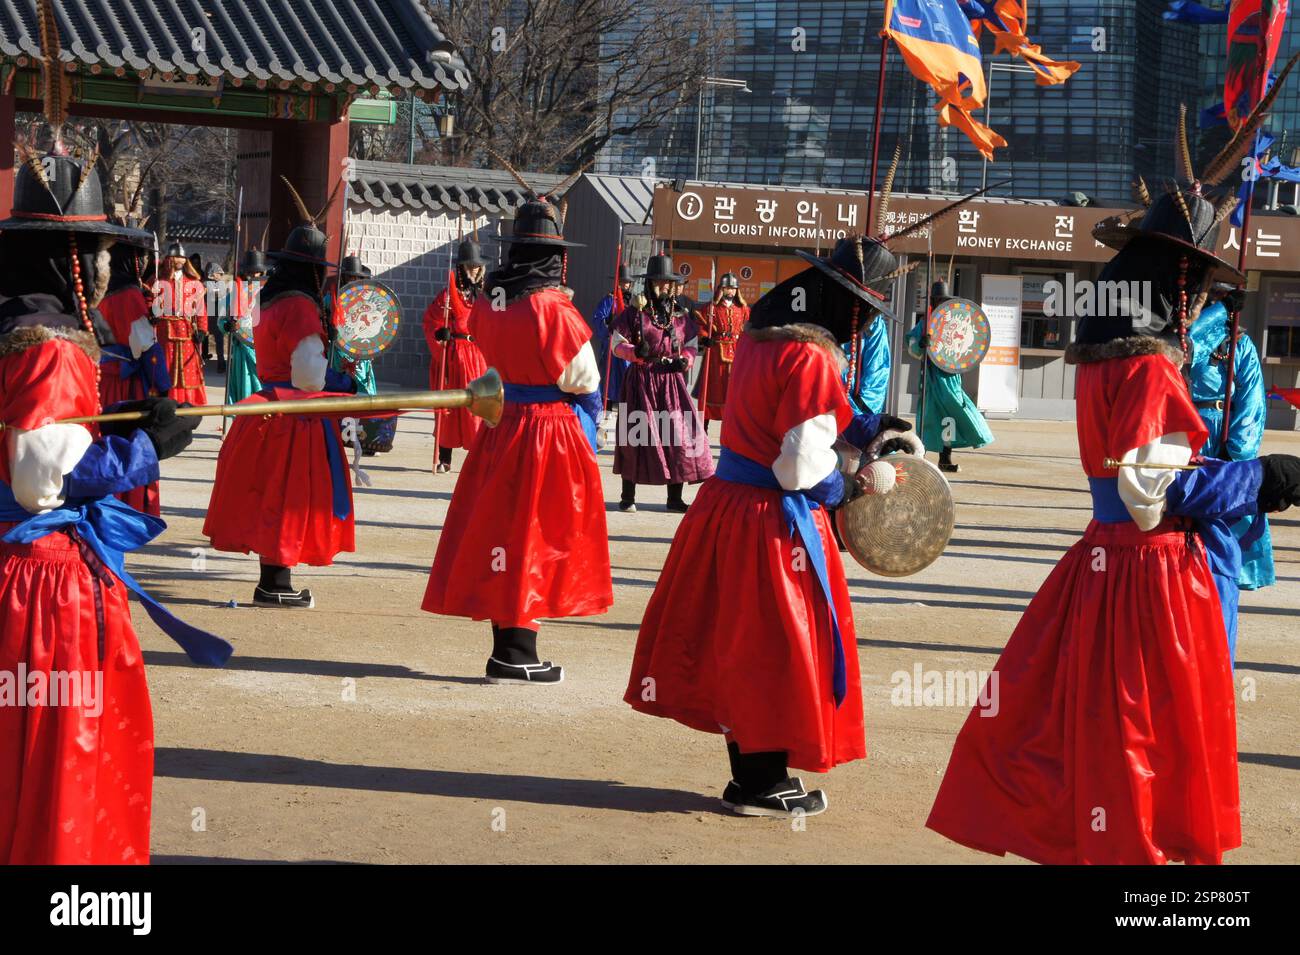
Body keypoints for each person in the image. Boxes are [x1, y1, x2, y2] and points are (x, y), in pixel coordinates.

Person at [925, 182, 1300, 864]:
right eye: (1191, 292)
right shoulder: (1152, 368)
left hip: (1102, 564)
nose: (1194, 309)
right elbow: (1151, 493)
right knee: (1148, 738)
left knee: (1102, 731)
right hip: (1153, 576)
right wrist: (1268, 479)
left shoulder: (1101, 362)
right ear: (1175, 286)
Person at [624, 236, 916, 817]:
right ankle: (762, 782)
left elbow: (815, 413)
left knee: (740, 643)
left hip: (728, 507)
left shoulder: (762, 343)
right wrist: (849, 489)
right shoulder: (810, 357)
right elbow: (799, 465)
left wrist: (873, 429)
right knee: (775, 649)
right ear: (847, 307)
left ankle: (751, 775)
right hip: (772, 523)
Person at [0, 151, 224, 864]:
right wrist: (145, 449)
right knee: (62, 748)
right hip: (44, 581)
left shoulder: (10, 326)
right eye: (97, 251)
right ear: (72, 256)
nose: (104, 267)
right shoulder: (53, 345)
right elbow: (41, 476)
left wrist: (124, 422)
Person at [423, 198, 611, 684]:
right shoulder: (555, 307)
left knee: (501, 535)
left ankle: (507, 644)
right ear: (556, 255)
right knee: (535, 536)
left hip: (501, 425)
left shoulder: (488, 301)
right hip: (547, 430)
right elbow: (583, 379)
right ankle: (517, 651)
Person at [204, 220, 357, 608]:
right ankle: (276, 583)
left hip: (266, 409)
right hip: (293, 416)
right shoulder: (301, 305)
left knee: (268, 496)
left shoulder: (265, 300)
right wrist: (338, 379)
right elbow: (308, 375)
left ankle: (273, 580)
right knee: (289, 499)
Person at [1188, 287, 1274, 663]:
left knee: (1224, 529)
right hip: (1186, 430)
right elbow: (1189, 347)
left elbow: (1252, 399)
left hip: (1221, 435)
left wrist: (1238, 450)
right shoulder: (1181, 340)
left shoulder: (1242, 344)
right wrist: (1216, 314)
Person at [609, 254, 714, 513]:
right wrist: (635, 352)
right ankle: (627, 495)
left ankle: (674, 498)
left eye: (668, 282)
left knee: (677, 436)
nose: (665, 287)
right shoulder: (635, 313)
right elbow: (616, 344)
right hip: (641, 380)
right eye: (659, 281)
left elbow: (690, 345)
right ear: (649, 283)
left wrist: (686, 361)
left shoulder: (679, 316)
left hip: (671, 381)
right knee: (636, 437)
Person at [97, 225, 170, 516]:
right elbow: (144, 345)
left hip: (105, 380)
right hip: (128, 384)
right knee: (129, 442)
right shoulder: (129, 295)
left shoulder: (100, 293)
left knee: (106, 439)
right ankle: (128, 502)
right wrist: (162, 384)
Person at [907, 280, 993, 471]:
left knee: (951, 418)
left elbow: (964, 348)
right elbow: (912, 345)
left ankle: (945, 459)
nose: (940, 303)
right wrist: (921, 344)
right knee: (930, 418)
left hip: (951, 377)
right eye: (938, 300)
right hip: (931, 377)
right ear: (933, 301)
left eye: (943, 300)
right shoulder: (925, 323)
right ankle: (920, 458)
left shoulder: (956, 320)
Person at [422, 240, 488, 472]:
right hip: (453, 356)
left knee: (477, 407)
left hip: (478, 358)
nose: (475, 270)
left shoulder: (486, 297)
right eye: (470, 266)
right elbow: (431, 321)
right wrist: (441, 332)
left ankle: (478, 456)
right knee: (449, 407)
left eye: (478, 267)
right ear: (461, 268)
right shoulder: (447, 296)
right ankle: (444, 457)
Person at [328, 256, 396, 455]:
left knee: (364, 394)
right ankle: (338, 433)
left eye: (355, 277)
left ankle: (369, 436)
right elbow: (321, 322)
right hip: (338, 354)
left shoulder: (368, 298)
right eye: (349, 276)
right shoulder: (330, 299)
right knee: (338, 394)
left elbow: (378, 327)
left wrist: (375, 346)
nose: (352, 280)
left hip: (361, 354)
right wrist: (328, 331)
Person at [155, 240, 209, 406]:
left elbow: (201, 309)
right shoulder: (158, 281)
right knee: (166, 369)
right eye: (175, 257)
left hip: (187, 333)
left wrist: (201, 329)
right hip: (164, 333)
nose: (178, 260)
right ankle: (166, 402)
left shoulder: (194, 284)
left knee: (188, 370)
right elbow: (149, 302)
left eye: (181, 257)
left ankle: (187, 404)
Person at [694, 272, 748, 424]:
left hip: (737, 352)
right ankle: (704, 425)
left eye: (733, 288)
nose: (730, 291)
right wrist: (705, 338)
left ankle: (731, 423)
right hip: (716, 353)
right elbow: (701, 325)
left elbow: (749, 329)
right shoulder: (711, 308)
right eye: (727, 288)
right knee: (713, 388)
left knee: (734, 389)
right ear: (721, 289)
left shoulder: (742, 309)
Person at [219, 248, 265, 407]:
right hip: (240, 349)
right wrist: (227, 325)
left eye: (256, 273)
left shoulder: (268, 292)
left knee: (261, 389)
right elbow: (221, 320)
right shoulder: (234, 293)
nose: (253, 276)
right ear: (245, 273)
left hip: (263, 348)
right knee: (243, 390)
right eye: (250, 273)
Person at [594, 264, 635, 408]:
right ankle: (607, 406)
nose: (625, 285)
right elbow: (598, 319)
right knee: (609, 378)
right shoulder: (608, 300)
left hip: (627, 345)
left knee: (627, 377)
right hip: (611, 344)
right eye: (622, 282)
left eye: (627, 282)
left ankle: (626, 406)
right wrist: (608, 322)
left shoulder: (634, 302)